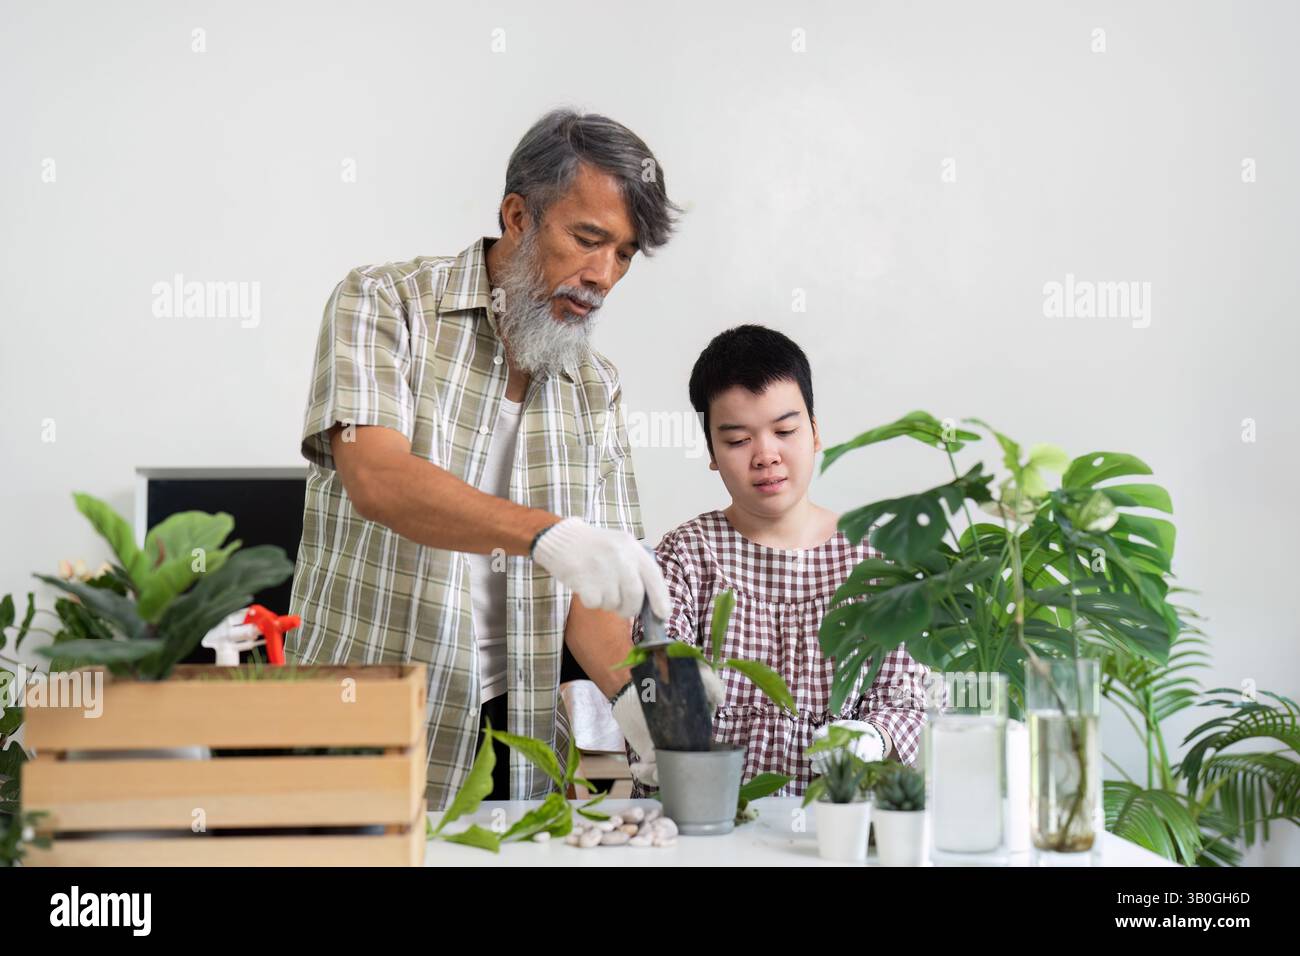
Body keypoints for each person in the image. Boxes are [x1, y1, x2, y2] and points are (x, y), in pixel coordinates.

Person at [288, 109, 685, 807]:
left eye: (623, 254)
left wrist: (648, 708)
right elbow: (378, 479)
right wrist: (545, 535)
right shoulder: (384, 304)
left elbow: (600, 595)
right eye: (587, 239)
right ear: (517, 216)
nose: (602, 276)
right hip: (369, 718)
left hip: (518, 734)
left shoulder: (597, 387)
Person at [614, 325, 929, 796]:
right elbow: (656, 675)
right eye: (738, 440)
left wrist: (872, 737)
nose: (766, 456)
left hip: (834, 825)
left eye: (785, 431)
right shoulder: (685, 556)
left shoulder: (875, 560)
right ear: (712, 454)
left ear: (816, 433)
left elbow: (906, 697)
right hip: (706, 823)